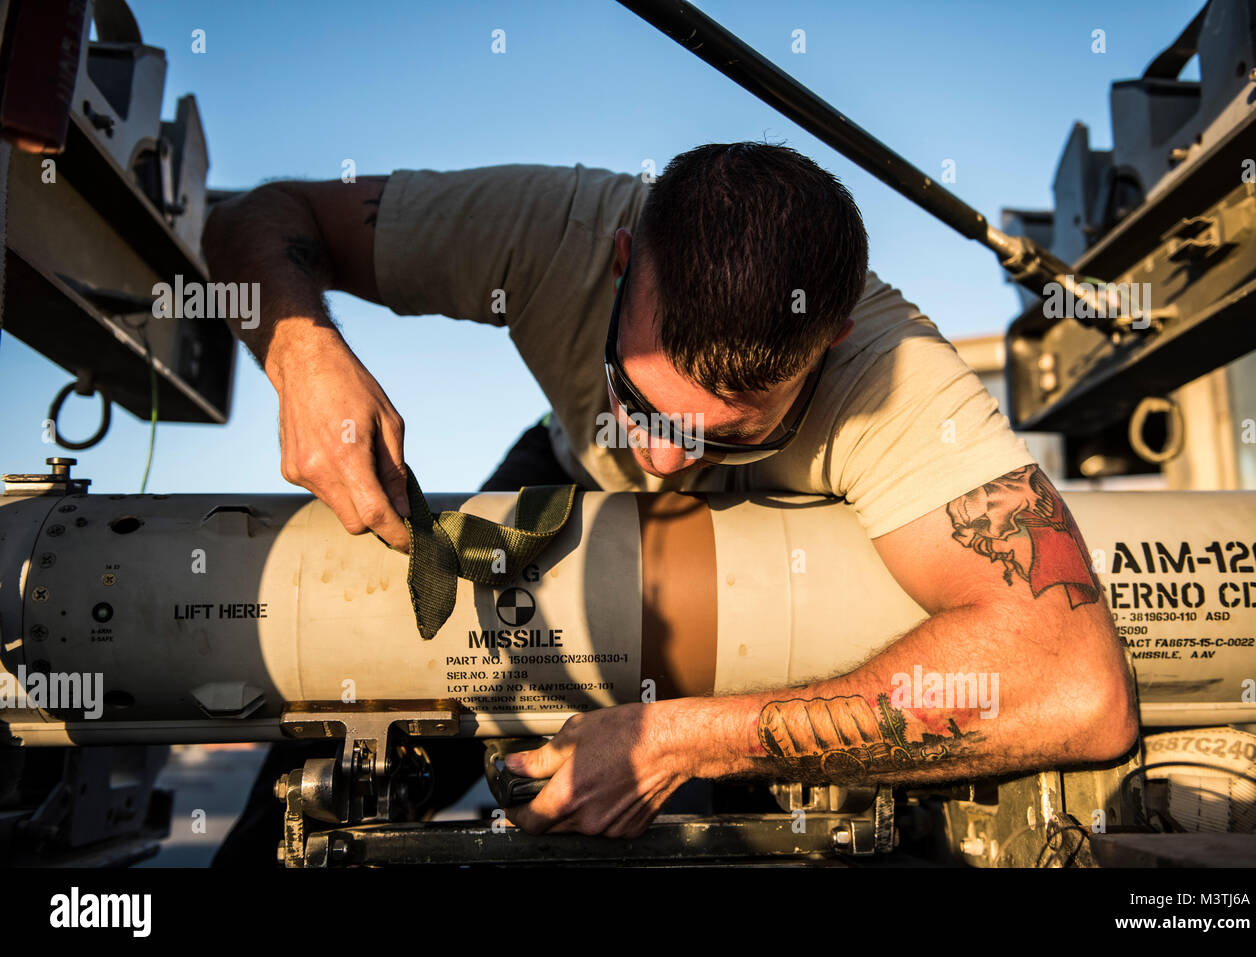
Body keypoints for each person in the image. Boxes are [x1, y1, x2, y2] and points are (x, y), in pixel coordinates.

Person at [202, 142, 1137, 847]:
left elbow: (1076, 683)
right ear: (619, 261)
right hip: (563, 484)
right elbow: (256, 215)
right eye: (637, 398)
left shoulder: (893, 371)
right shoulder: (550, 228)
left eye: (719, 432)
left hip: (780, 564)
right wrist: (300, 352)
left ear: (833, 339)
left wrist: (680, 742)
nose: (659, 458)